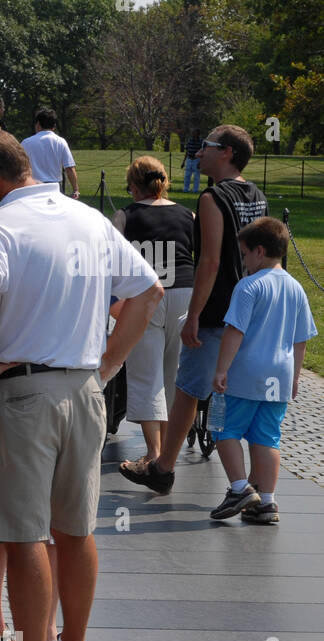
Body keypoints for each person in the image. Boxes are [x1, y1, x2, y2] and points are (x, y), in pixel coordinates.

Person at [0, 128, 163, 641]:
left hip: (23, 398)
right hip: (83, 393)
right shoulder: (89, 220)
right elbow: (148, 293)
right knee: (76, 530)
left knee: (23, 535)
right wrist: (106, 364)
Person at [120, 124, 267, 496]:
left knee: (187, 388)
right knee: (240, 394)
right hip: (252, 303)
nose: (198, 152)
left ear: (226, 153)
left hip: (217, 307)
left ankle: (164, 467)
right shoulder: (256, 195)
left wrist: (197, 315)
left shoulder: (212, 197)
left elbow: (211, 261)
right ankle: (260, 488)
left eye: (206, 146)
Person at [208, 217, 316, 523]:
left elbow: (234, 331)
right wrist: (294, 378)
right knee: (267, 438)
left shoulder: (249, 286)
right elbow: (301, 340)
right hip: (279, 375)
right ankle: (266, 501)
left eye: (244, 254)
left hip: (247, 372)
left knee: (224, 429)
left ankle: (240, 487)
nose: (244, 261)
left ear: (258, 251)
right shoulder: (296, 288)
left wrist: (220, 370)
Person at [112, 158, 196, 473]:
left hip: (146, 295)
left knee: (146, 375)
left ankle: (153, 453)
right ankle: (167, 453)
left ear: (133, 185)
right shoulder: (187, 214)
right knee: (174, 375)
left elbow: (113, 259)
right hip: (184, 293)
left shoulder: (126, 215)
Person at [21, 108, 79, 198]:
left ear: (38, 125)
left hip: (33, 188)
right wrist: (75, 189)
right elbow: (69, 168)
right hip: (55, 188)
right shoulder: (61, 142)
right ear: (54, 126)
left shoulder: (26, 143)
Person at [182, 128, 203, 193]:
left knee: (196, 176)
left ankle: (195, 190)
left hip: (196, 160)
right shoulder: (190, 140)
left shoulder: (201, 142)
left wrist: (200, 162)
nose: (193, 134)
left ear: (198, 134)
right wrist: (183, 162)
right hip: (189, 159)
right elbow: (187, 151)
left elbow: (202, 152)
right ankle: (186, 189)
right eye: (192, 132)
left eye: (194, 132)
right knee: (187, 175)